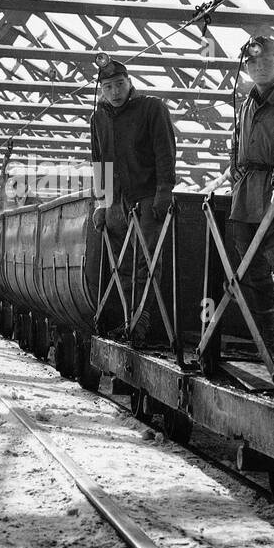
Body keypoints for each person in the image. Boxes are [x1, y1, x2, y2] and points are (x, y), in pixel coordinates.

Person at [89, 59, 176, 340]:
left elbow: (165, 151)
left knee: (148, 262)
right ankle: (130, 318)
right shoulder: (98, 118)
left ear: (130, 83)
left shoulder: (152, 108)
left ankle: (141, 319)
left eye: (119, 85)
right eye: (108, 87)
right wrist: (101, 203)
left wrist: (164, 191)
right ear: (102, 90)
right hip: (116, 202)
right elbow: (99, 162)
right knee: (122, 264)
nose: (115, 92)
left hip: (147, 196)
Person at [227, 33, 274, 353]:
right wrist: (234, 168)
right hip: (246, 192)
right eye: (252, 63)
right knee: (250, 265)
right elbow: (235, 144)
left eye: (266, 62)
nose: (259, 68)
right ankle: (267, 333)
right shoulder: (247, 103)